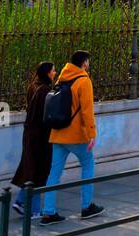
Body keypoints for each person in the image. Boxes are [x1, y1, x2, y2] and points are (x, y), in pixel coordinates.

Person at [40, 50, 104, 225]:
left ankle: (48, 212)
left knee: (54, 173)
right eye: (88, 62)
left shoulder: (62, 78)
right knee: (88, 165)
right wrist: (91, 134)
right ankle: (86, 206)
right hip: (76, 135)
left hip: (58, 133)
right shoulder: (84, 81)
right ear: (84, 63)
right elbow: (86, 110)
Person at [12, 62, 54, 216]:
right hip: (41, 136)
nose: (55, 73)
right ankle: (31, 208)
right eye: (53, 70)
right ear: (48, 73)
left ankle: (23, 203)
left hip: (29, 133)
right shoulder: (45, 90)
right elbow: (46, 115)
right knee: (39, 171)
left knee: (31, 170)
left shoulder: (33, 86)